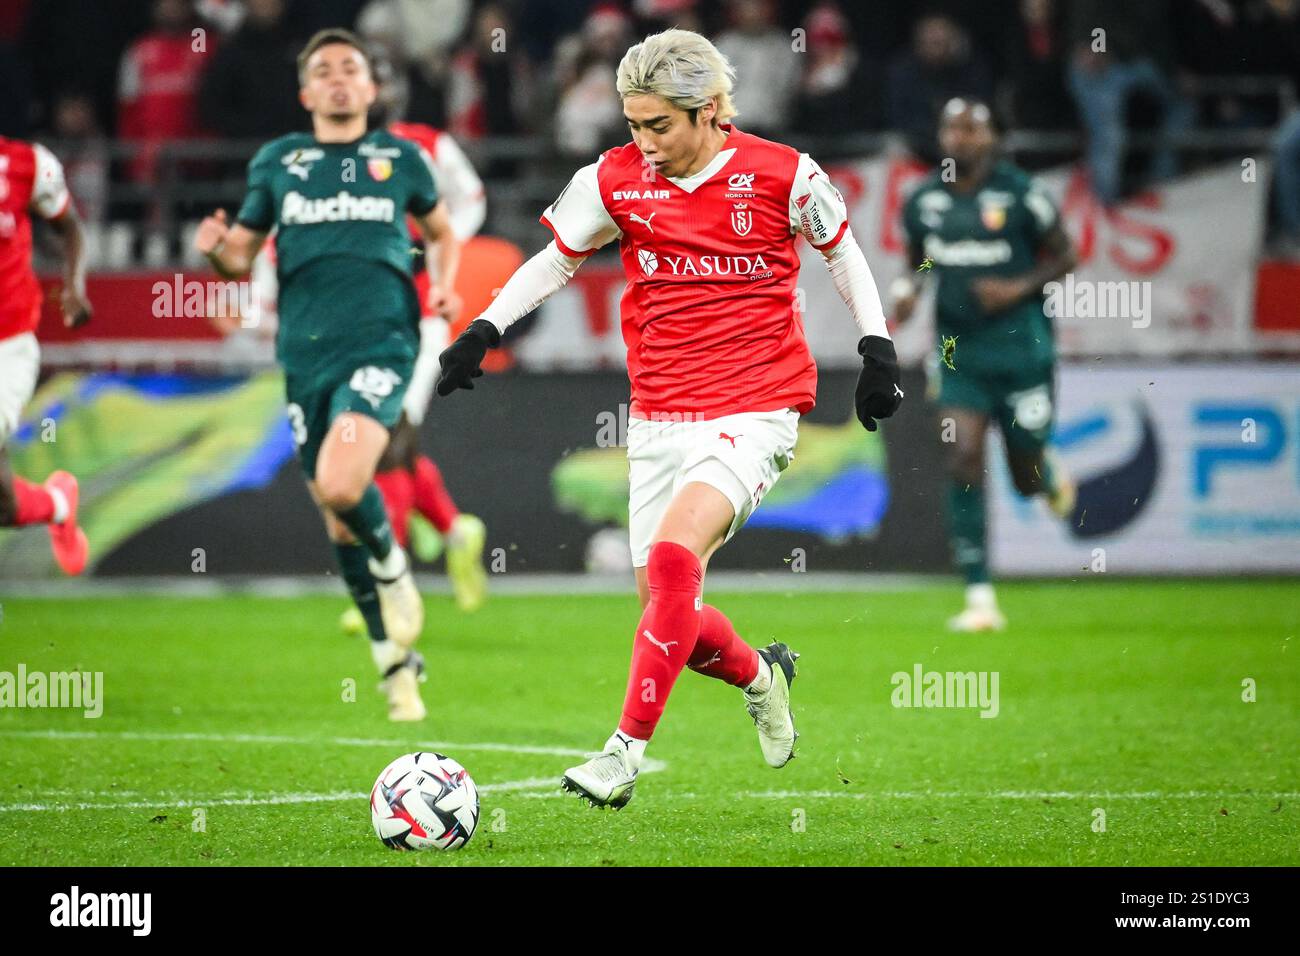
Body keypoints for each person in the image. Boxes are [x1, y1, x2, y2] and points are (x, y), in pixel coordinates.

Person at [436, 29, 902, 808]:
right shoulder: (613, 180)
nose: (644, 143)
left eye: (659, 125)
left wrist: (877, 347)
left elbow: (844, 253)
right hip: (656, 417)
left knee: (678, 558)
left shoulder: (784, 173)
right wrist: (484, 330)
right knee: (670, 611)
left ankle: (621, 755)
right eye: (632, 126)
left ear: (713, 111)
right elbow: (557, 259)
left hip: (756, 408)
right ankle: (762, 672)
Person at [193, 28, 461, 721]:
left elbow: (443, 232)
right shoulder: (280, 161)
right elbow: (240, 257)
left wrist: (444, 288)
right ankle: (393, 664)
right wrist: (219, 253)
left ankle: (397, 571)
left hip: (383, 342)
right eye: (324, 71)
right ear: (307, 92)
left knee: (344, 484)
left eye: (352, 68)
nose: (340, 79)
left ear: (371, 89)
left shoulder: (399, 158)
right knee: (340, 520)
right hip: (305, 355)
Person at [893, 98, 1077, 632]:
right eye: (952, 127)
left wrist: (1016, 287)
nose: (961, 138)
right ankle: (979, 597)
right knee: (962, 455)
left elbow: (1065, 254)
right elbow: (922, 258)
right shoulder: (924, 200)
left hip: (1023, 352)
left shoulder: (1023, 195)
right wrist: (909, 290)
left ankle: (1045, 474)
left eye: (973, 128)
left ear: (995, 137)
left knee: (1025, 475)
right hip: (957, 352)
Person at [0, 135, 92, 574]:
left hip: (7, 345)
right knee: (2, 503)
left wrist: (74, 287)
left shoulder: (28, 164)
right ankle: (57, 505)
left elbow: (70, 226)